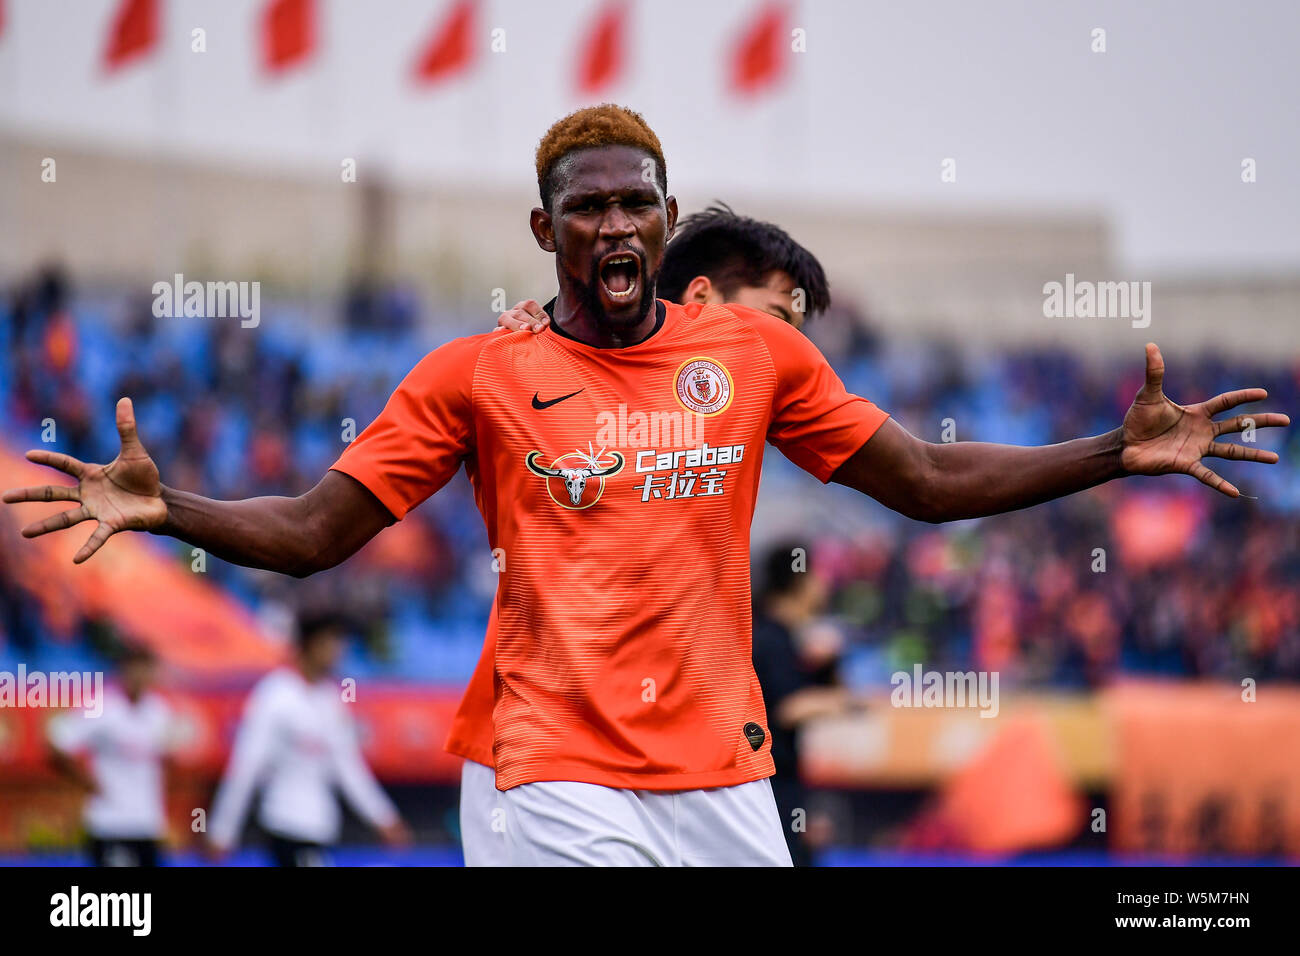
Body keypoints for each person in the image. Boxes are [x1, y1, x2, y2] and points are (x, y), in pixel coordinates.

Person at [4, 104, 1287, 867]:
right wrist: (173, 508)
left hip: (720, 772)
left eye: (637, 207)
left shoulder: (751, 350)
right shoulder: (475, 374)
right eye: (587, 208)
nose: (615, 227)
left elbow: (930, 476)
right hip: (544, 766)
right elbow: (311, 529)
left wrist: (1111, 451)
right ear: (544, 230)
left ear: (665, 223)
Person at [451, 204, 832, 866]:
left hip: (690, 762)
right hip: (535, 757)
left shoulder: (719, 424)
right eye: (778, 320)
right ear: (703, 299)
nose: (790, 353)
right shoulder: (544, 369)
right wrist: (531, 332)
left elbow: (923, 475)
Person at [205, 613, 410, 866]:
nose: (337, 652)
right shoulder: (275, 695)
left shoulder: (331, 700)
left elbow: (348, 767)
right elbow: (247, 765)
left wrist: (384, 817)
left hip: (320, 827)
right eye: (329, 643)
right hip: (284, 822)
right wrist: (222, 829)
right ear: (309, 645)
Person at [751, 542, 859, 866]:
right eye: (817, 574)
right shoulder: (768, 637)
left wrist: (828, 665)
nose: (825, 584)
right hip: (768, 782)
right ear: (798, 581)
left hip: (778, 779)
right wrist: (847, 704)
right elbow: (787, 709)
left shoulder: (790, 638)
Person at [47, 642, 174, 867]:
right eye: (135, 668)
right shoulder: (102, 707)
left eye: (146, 668)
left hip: (147, 823)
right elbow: (57, 742)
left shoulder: (160, 711)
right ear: (123, 670)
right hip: (110, 822)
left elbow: (167, 759)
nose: (140, 676)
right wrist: (87, 782)